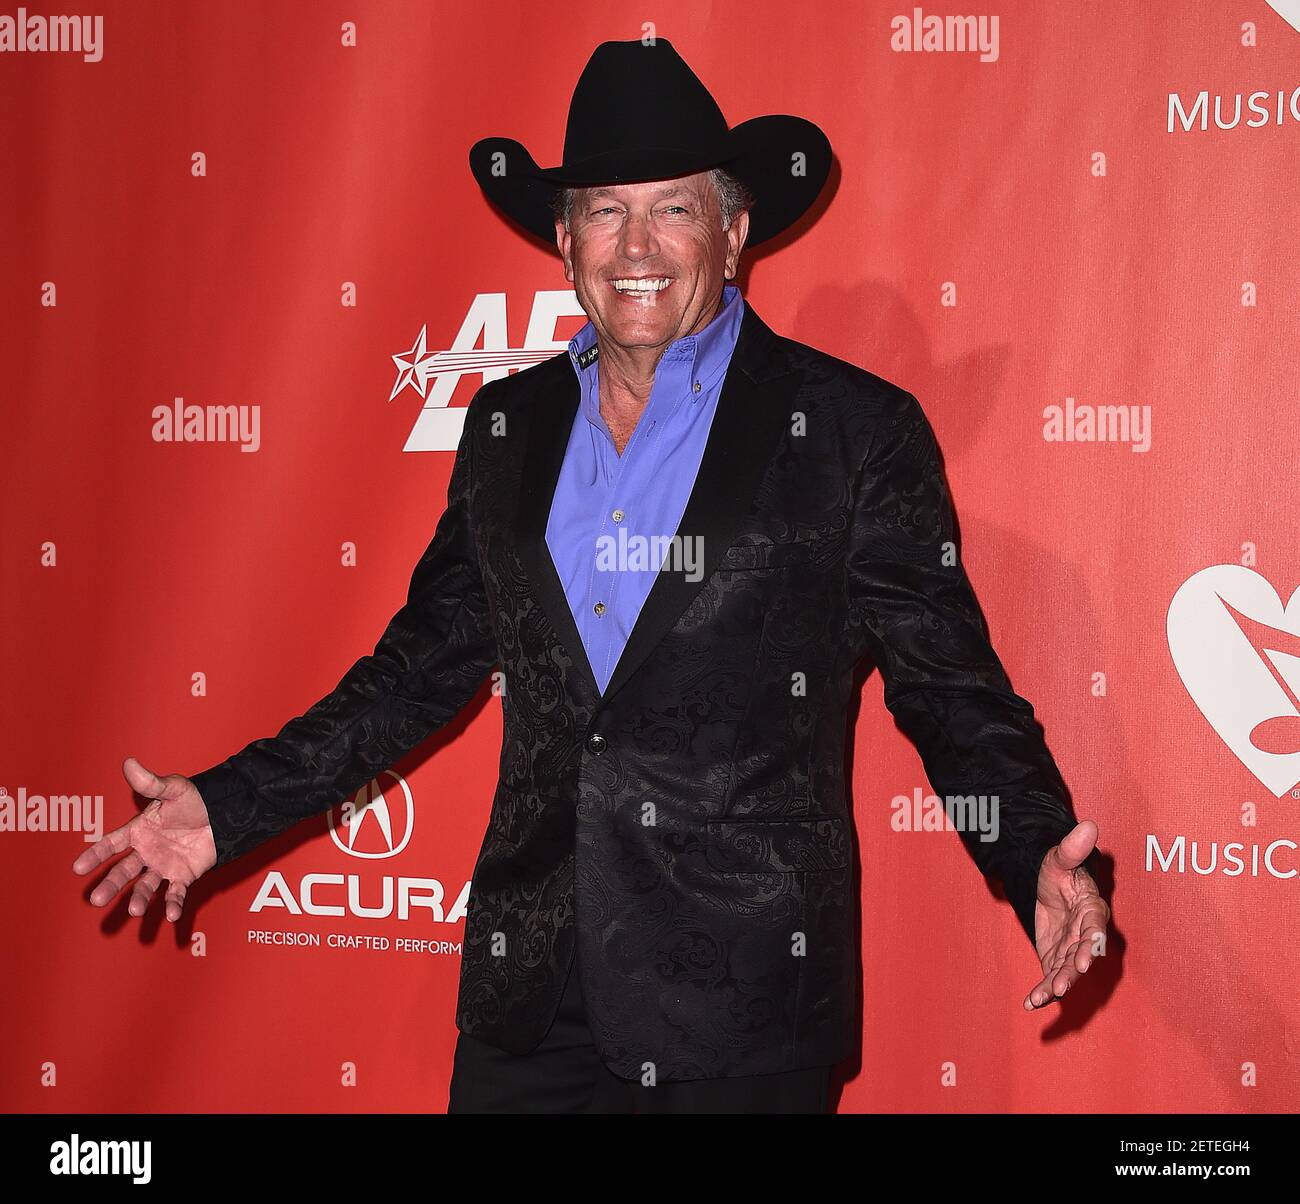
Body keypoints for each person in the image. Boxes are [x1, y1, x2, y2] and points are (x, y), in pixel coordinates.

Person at [73, 38, 1109, 1114]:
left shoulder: (854, 433)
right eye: (605, 211)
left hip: (744, 1008)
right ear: (564, 241)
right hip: (534, 998)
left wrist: (1030, 845)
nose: (638, 245)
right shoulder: (507, 426)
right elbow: (414, 673)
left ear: (735, 229)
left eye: (673, 208)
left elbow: (948, 687)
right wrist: (227, 807)